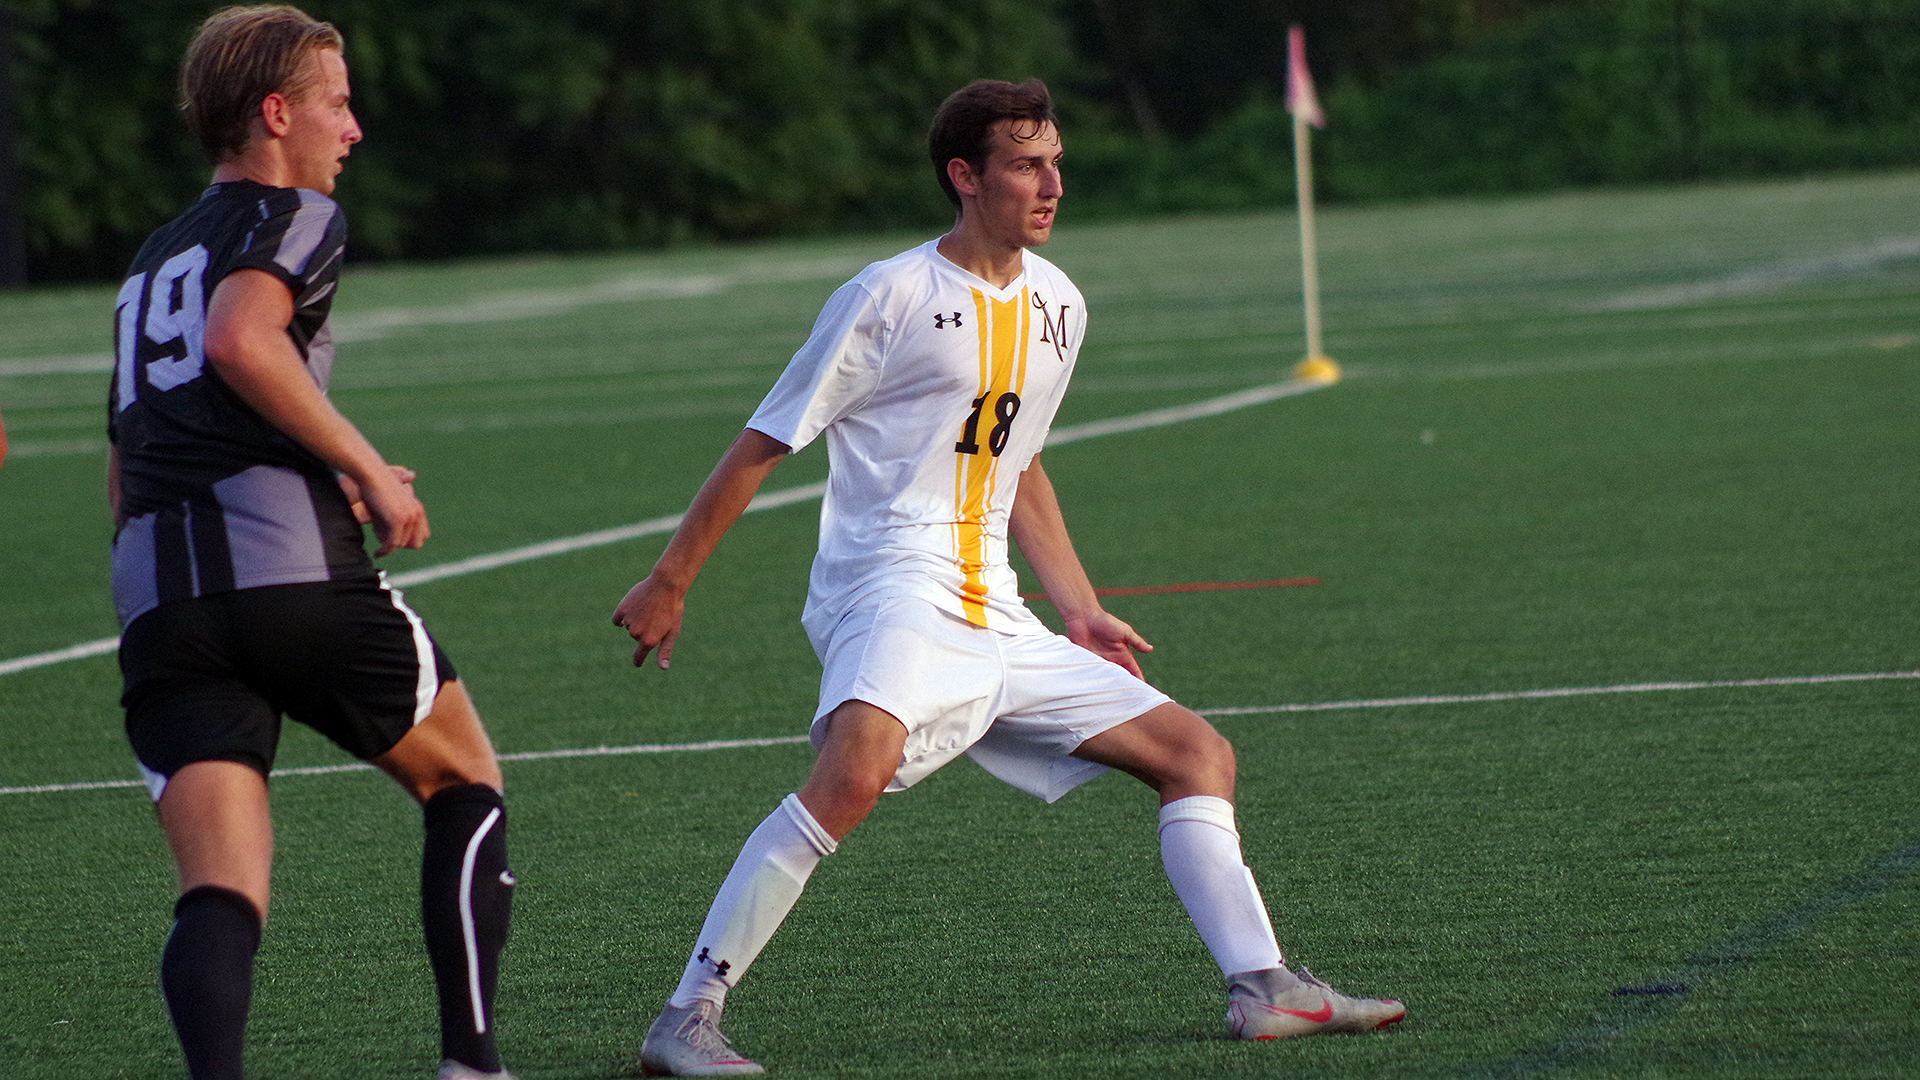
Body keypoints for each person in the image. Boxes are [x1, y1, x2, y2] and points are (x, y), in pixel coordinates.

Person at [611, 78, 1404, 1076]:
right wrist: (670, 579)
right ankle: (686, 1018)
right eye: (1026, 164)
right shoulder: (888, 296)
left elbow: (1019, 461)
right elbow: (766, 440)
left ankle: (1265, 987)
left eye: (1056, 162)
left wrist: (1077, 606)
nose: (1051, 182)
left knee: (1195, 753)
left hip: (999, 605)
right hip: (893, 580)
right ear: (964, 175)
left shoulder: (1059, 303)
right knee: (851, 775)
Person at [108, 8, 514, 1079]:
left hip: (159, 601)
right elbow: (241, 339)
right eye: (337, 102)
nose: (356, 128)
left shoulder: (152, 258)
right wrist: (369, 468)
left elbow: (136, 444)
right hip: (291, 573)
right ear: (275, 113)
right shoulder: (293, 213)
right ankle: (473, 1065)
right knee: (465, 783)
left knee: (220, 889)